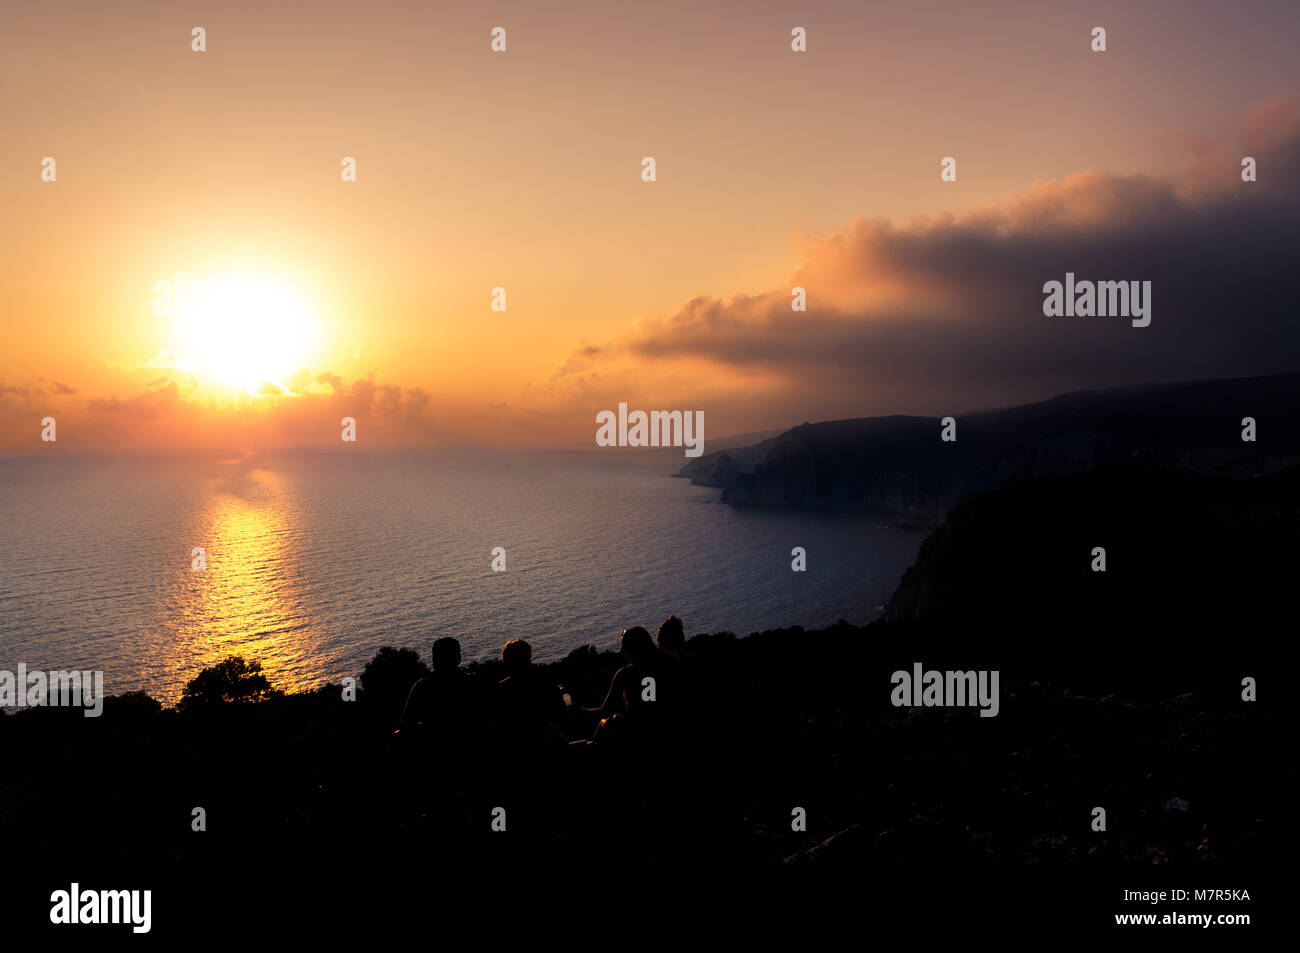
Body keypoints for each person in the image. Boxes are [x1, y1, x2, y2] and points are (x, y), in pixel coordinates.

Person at [398, 636, 478, 753]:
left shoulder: (422, 687)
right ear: (458, 658)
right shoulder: (474, 684)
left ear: (434, 659)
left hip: (432, 750)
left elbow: (406, 726)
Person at [493, 638, 568, 750]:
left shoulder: (501, 690)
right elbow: (561, 714)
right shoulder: (544, 683)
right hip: (547, 742)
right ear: (528, 659)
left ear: (506, 661)